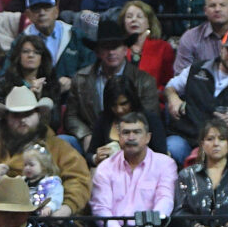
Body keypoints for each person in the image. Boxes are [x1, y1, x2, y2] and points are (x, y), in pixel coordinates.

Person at [0, 85, 92, 220]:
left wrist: (66, 208)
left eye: (28, 114)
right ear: (6, 118)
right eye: (16, 115)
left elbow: (79, 179)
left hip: (47, 222)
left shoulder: (59, 148)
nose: (22, 120)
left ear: (38, 115)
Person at [67, 17, 161, 156]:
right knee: (64, 141)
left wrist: (122, 140)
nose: (111, 52)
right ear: (97, 52)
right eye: (106, 47)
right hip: (92, 136)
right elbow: (71, 116)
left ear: (125, 50)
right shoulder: (80, 78)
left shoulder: (145, 80)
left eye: (115, 46)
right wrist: (86, 136)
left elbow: (148, 117)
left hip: (133, 138)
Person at [89, 112, 179, 227]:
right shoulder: (105, 167)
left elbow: (165, 199)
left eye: (137, 132)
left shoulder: (165, 164)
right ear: (119, 138)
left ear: (148, 137)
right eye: (126, 132)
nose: (131, 137)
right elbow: (101, 208)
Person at [164, 26, 228, 163]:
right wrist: (173, 98)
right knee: (172, 146)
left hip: (220, 141)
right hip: (186, 135)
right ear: (221, 47)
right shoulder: (196, 69)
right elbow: (170, 86)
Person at [121, 1, 176, 88]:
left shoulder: (163, 48)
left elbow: (168, 82)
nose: (133, 20)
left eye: (139, 16)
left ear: (149, 22)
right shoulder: (118, 47)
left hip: (153, 98)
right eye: (129, 17)